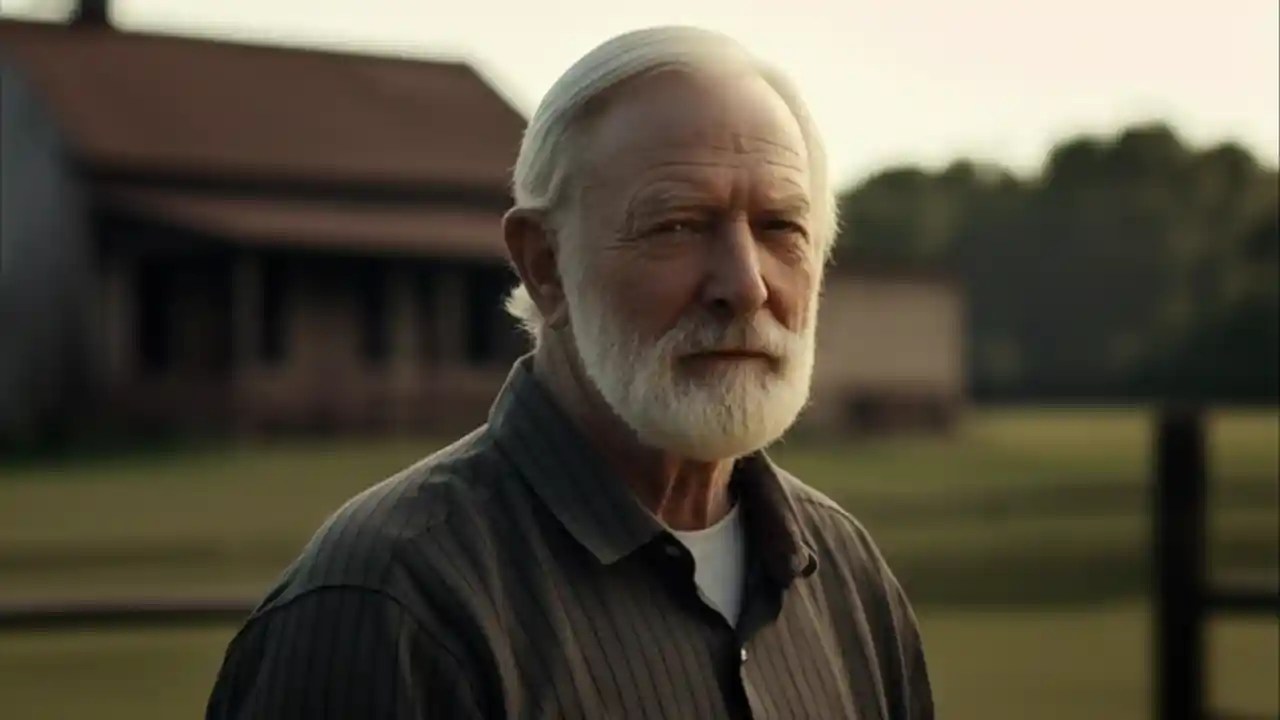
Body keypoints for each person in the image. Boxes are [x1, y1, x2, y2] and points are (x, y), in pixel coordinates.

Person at [206, 26, 932, 720]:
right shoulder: (389, 605)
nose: (744, 285)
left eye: (781, 228)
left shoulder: (848, 581)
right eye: (677, 223)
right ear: (546, 265)